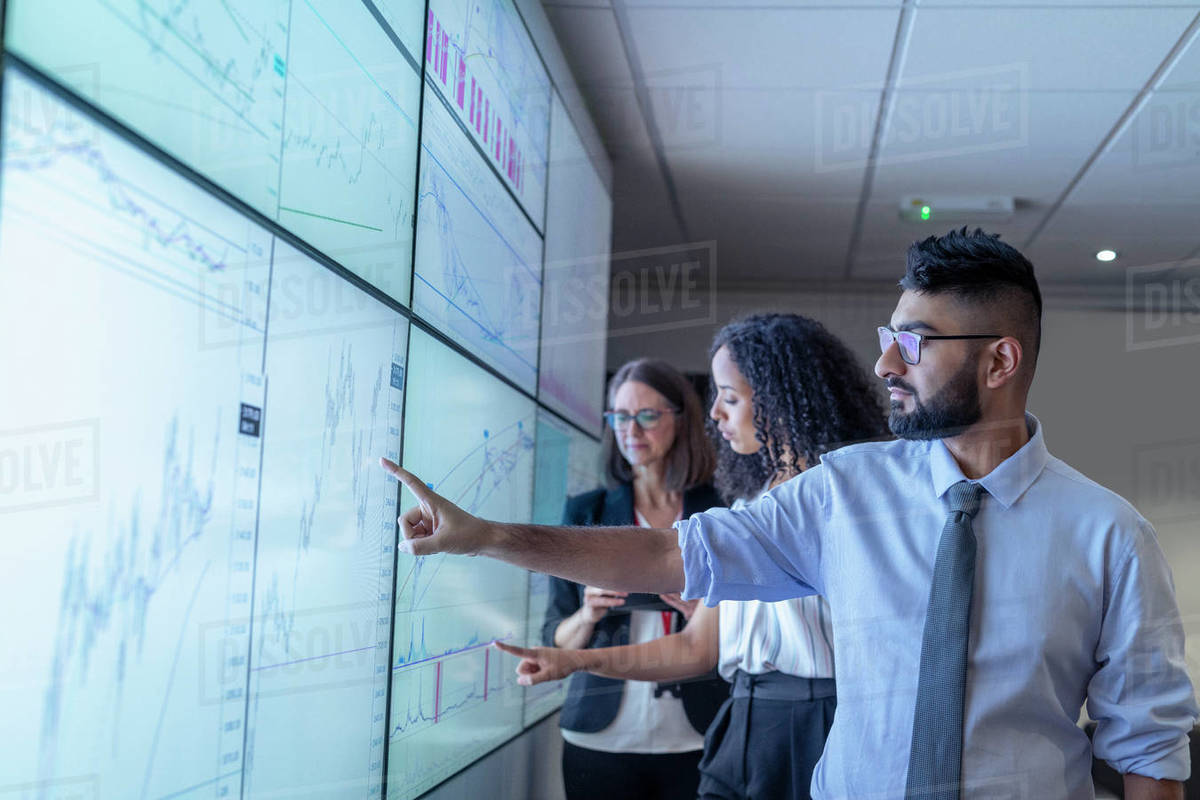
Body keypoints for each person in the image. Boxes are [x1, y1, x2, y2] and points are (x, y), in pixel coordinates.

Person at [381, 228, 1198, 800]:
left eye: (912, 343)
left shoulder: (1109, 535)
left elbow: (1148, 747)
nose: (884, 362)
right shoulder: (843, 492)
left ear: (999, 358)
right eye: (888, 337)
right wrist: (488, 538)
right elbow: (671, 558)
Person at [497, 314, 890, 800]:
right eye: (619, 417)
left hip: (815, 719)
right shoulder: (750, 505)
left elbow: (665, 555)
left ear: (776, 398)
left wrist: (488, 537)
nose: (717, 417)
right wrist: (573, 658)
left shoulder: (848, 496)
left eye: (729, 398)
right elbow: (694, 649)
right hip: (744, 716)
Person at [545, 358, 728, 800]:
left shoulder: (722, 509)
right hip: (599, 738)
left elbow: (752, 630)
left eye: (647, 415)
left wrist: (705, 613)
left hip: (697, 735)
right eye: (621, 416)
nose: (632, 429)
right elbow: (556, 640)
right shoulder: (585, 514)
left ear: (681, 421)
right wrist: (587, 613)